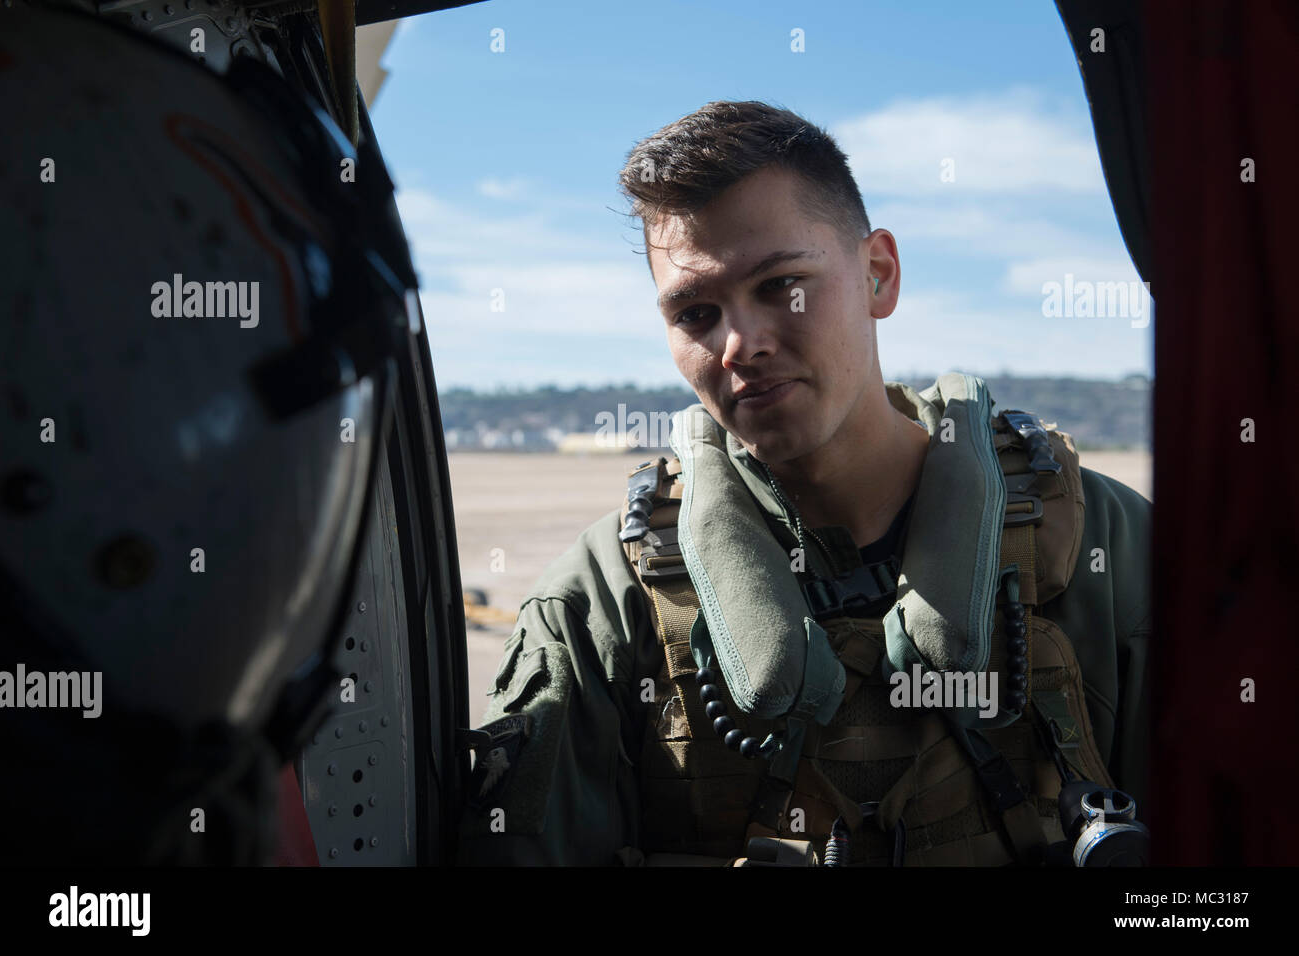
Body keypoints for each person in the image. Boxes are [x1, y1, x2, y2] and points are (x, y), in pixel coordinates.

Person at [456, 101, 1150, 866]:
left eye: (781, 284)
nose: (739, 345)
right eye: (695, 313)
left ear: (878, 275)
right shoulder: (604, 604)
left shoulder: (1105, 548)